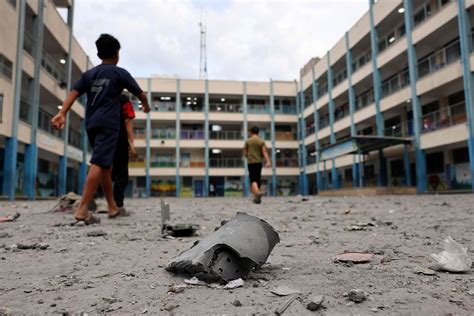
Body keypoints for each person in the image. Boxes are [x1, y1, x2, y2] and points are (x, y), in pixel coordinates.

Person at [51, 34, 150, 224]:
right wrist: (145, 105)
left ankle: (112, 207)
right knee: (98, 162)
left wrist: (63, 112)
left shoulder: (90, 74)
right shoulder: (119, 73)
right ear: (117, 53)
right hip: (109, 125)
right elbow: (140, 93)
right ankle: (82, 210)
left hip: (91, 124)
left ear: (98, 54)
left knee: (105, 165)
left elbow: (73, 92)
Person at [111, 93, 137, 214]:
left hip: (99, 134)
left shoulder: (102, 95)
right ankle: (117, 205)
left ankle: (90, 200)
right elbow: (127, 121)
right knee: (121, 173)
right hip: (118, 136)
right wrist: (131, 143)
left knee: (101, 168)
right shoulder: (123, 98)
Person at [244, 126, 271, 204]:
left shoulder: (248, 141)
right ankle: (256, 197)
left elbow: (245, 153)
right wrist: (268, 161)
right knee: (258, 178)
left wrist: (248, 156)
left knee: (253, 179)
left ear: (251, 132)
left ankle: (257, 194)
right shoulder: (261, 141)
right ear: (258, 132)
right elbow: (264, 152)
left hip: (251, 162)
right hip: (259, 162)